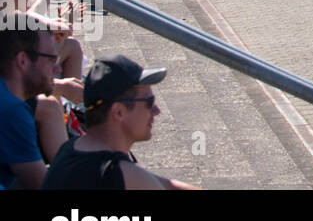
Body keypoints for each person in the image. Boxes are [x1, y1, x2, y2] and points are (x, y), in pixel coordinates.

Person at [43, 54, 199, 190]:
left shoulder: (71, 150)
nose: (157, 110)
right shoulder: (120, 175)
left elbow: (168, 185)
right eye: (149, 102)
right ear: (118, 112)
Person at [0, 23, 57, 189]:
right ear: (22, 60)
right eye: (52, 59)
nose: (58, 68)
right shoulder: (11, 110)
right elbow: (43, 186)